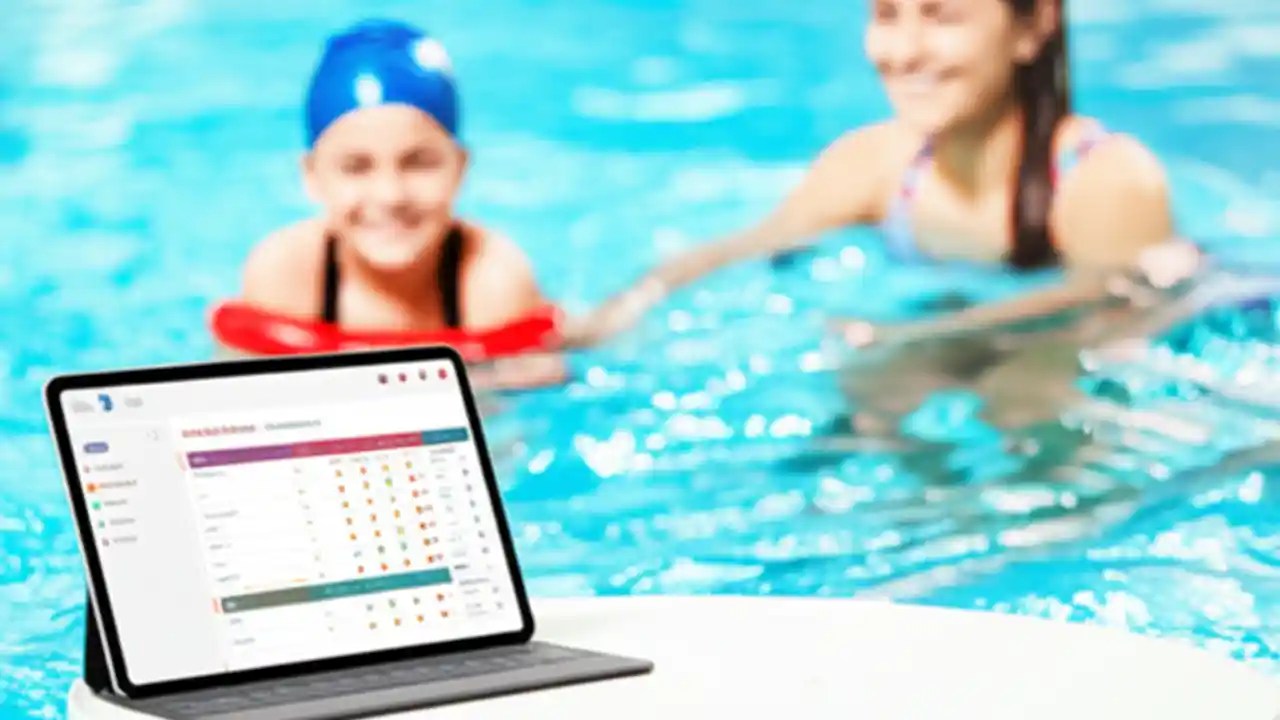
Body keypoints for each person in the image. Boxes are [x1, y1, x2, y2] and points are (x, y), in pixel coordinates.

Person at [560, 0, 1189, 351]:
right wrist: (622, 310)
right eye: (887, 15)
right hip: (939, 333)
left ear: (1033, 26)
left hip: (1058, 360)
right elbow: (742, 248)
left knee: (1026, 390)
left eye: (941, 18)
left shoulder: (1103, 180)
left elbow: (1110, 310)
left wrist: (915, 337)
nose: (903, 51)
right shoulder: (877, 164)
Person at [242, 19, 550, 347]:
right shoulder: (286, 275)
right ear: (312, 176)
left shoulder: (492, 280)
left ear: (460, 168)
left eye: (418, 163)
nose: (390, 195)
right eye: (356, 167)